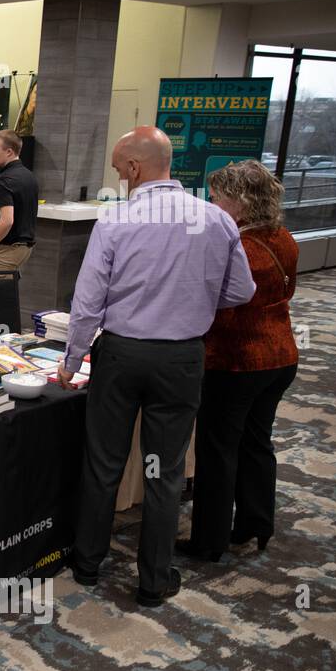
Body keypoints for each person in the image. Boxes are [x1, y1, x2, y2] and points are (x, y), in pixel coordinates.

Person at [61, 126, 256, 608]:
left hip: (123, 354)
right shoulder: (215, 219)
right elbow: (241, 291)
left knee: (104, 462)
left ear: (133, 168)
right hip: (182, 357)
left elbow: (88, 302)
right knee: (164, 471)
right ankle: (153, 581)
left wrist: (71, 360)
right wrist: (192, 299)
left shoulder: (116, 220)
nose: (118, 178)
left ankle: (87, 564)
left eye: (117, 169)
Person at [179, 160, 298, 562]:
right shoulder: (284, 238)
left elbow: (220, 309)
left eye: (217, 198)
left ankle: (208, 542)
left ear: (241, 202)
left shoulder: (239, 247)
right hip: (280, 356)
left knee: (217, 451)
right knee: (256, 442)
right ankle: (256, 523)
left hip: (237, 362)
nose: (211, 205)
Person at [0, 129, 37, 274]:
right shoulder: (29, 175)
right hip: (25, 248)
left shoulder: (3, 180)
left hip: (7, 248)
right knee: (7, 292)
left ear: (9, 152)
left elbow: (7, 220)